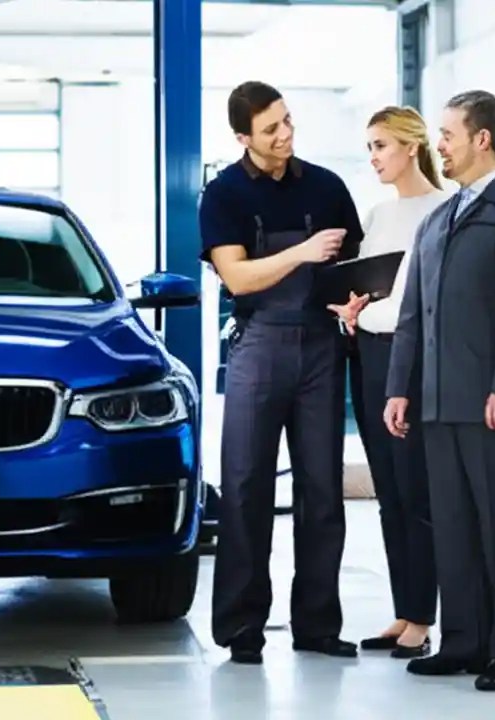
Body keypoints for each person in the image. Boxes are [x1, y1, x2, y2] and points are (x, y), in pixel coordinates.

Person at [383, 90, 495, 691]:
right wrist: (399, 388)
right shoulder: (440, 218)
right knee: (453, 529)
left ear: (482, 138)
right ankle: (464, 641)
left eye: (448, 135)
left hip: (492, 407)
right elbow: (414, 312)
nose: (440, 147)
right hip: (436, 403)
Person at [199, 80, 364, 665]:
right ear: (243, 137)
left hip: (322, 348)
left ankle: (318, 625)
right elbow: (238, 279)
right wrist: (301, 251)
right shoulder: (223, 195)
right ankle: (242, 627)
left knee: (323, 490)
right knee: (246, 489)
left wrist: (356, 301)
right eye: (271, 129)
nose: (286, 135)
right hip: (259, 347)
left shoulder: (327, 186)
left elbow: (354, 269)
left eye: (288, 121)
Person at [329, 106, 448, 659]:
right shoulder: (378, 216)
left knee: (416, 488)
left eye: (380, 145)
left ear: (410, 146)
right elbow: (373, 290)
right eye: (369, 147)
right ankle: (405, 611)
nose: (373, 158)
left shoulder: (446, 210)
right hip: (368, 355)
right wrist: (351, 312)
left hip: (413, 359)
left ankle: (424, 616)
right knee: (387, 494)